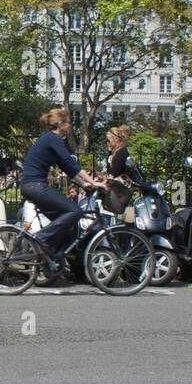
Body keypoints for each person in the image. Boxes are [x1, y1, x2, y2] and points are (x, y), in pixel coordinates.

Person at [18, 108, 100, 277]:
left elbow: (68, 169)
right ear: (61, 124)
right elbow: (72, 163)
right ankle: (42, 238)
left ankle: (52, 262)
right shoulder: (53, 139)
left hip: (32, 186)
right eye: (69, 123)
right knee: (75, 211)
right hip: (36, 186)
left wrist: (84, 184)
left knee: (66, 226)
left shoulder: (51, 140)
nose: (71, 126)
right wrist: (94, 182)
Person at [103, 124, 134, 215]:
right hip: (118, 188)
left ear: (116, 139)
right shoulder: (116, 152)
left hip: (120, 190)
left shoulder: (121, 152)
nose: (107, 143)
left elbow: (113, 172)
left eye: (108, 140)